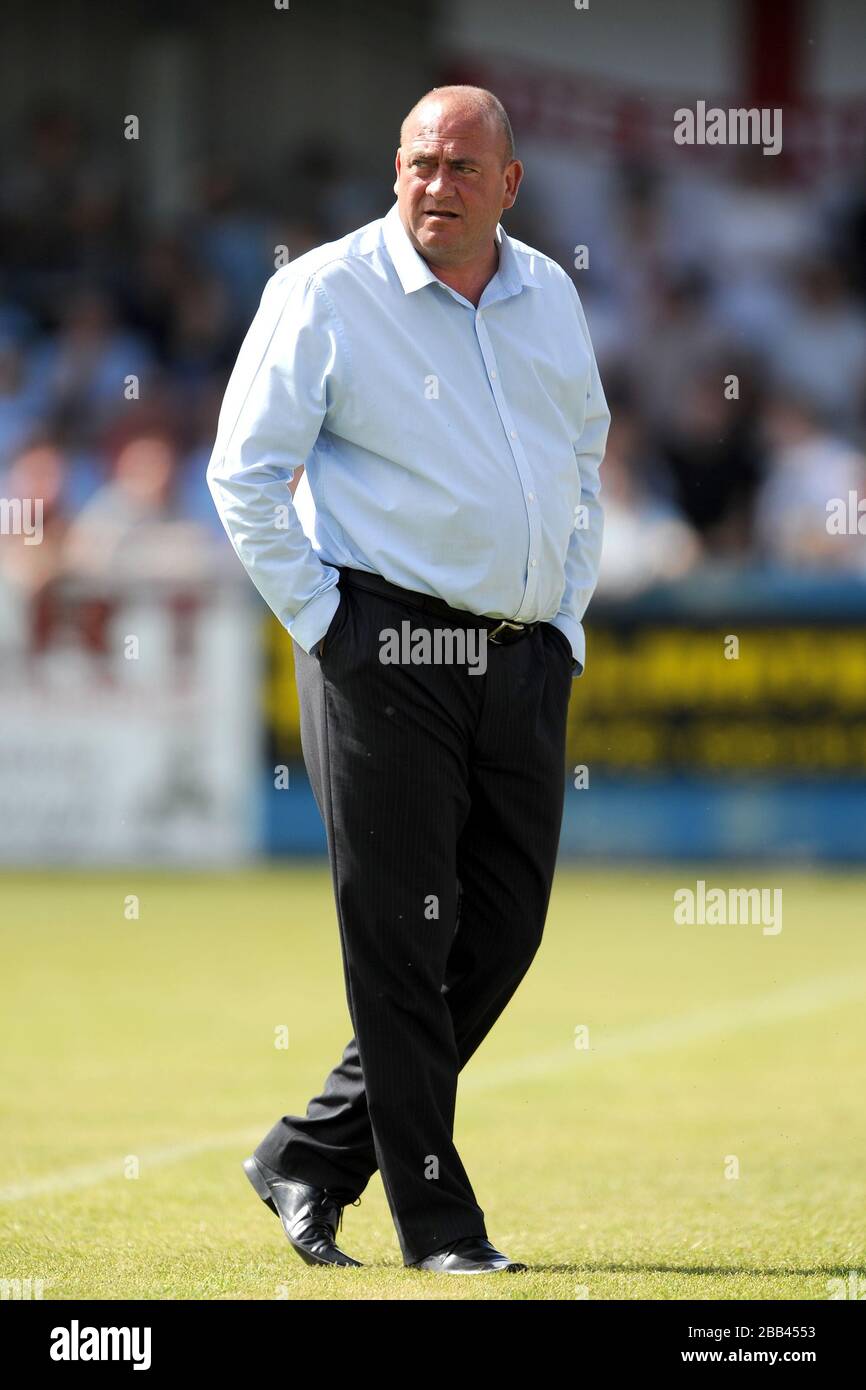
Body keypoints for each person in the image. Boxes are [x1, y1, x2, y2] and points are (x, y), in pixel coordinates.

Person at [207, 85, 610, 1274]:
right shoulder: (324, 289)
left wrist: (566, 620)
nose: (436, 185)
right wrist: (330, 626)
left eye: (460, 167)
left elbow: (580, 456)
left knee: (501, 930)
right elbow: (243, 474)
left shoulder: (552, 294)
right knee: (398, 935)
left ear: (510, 183)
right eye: (419, 163)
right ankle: (439, 1225)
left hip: (522, 654)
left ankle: (312, 1153)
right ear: (397, 168)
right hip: (383, 643)